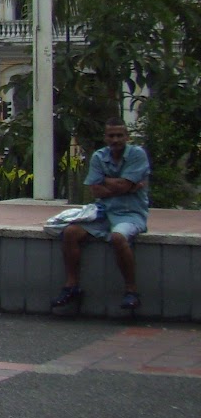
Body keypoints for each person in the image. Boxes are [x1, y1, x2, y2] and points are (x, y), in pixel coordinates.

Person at [52, 119, 150, 314]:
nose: (115, 139)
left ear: (127, 137)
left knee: (118, 237)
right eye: (111, 136)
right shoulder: (99, 156)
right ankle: (71, 286)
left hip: (130, 213)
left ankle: (132, 291)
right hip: (103, 213)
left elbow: (104, 185)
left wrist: (106, 181)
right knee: (70, 232)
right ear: (105, 138)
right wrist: (127, 185)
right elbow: (96, 190)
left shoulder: (137, 155)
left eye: (119, 135)